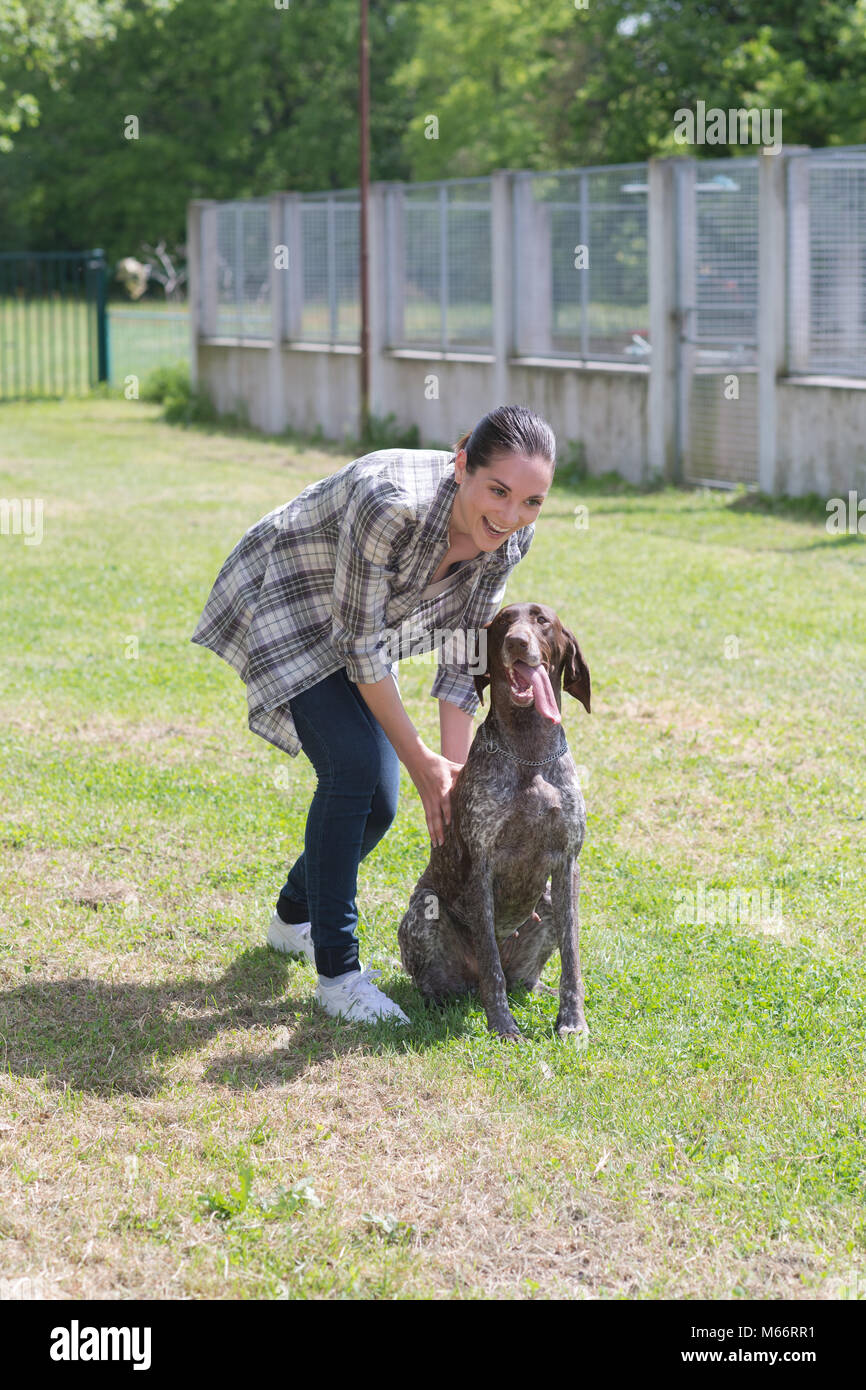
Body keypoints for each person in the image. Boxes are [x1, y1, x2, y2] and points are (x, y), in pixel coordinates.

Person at [190, 404, 556, 1024]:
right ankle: (338, 975)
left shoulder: (510, 536)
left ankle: (292, 919)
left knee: (378, 805)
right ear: (463, 463)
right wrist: (421, 763)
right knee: (356, 770)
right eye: (499, 490)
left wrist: (457, 783)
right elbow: (358, 646)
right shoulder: (389, 501)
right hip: (290, 601)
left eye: (531, 501)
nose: (511, 515)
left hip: (358, 633)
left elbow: (462, 656)